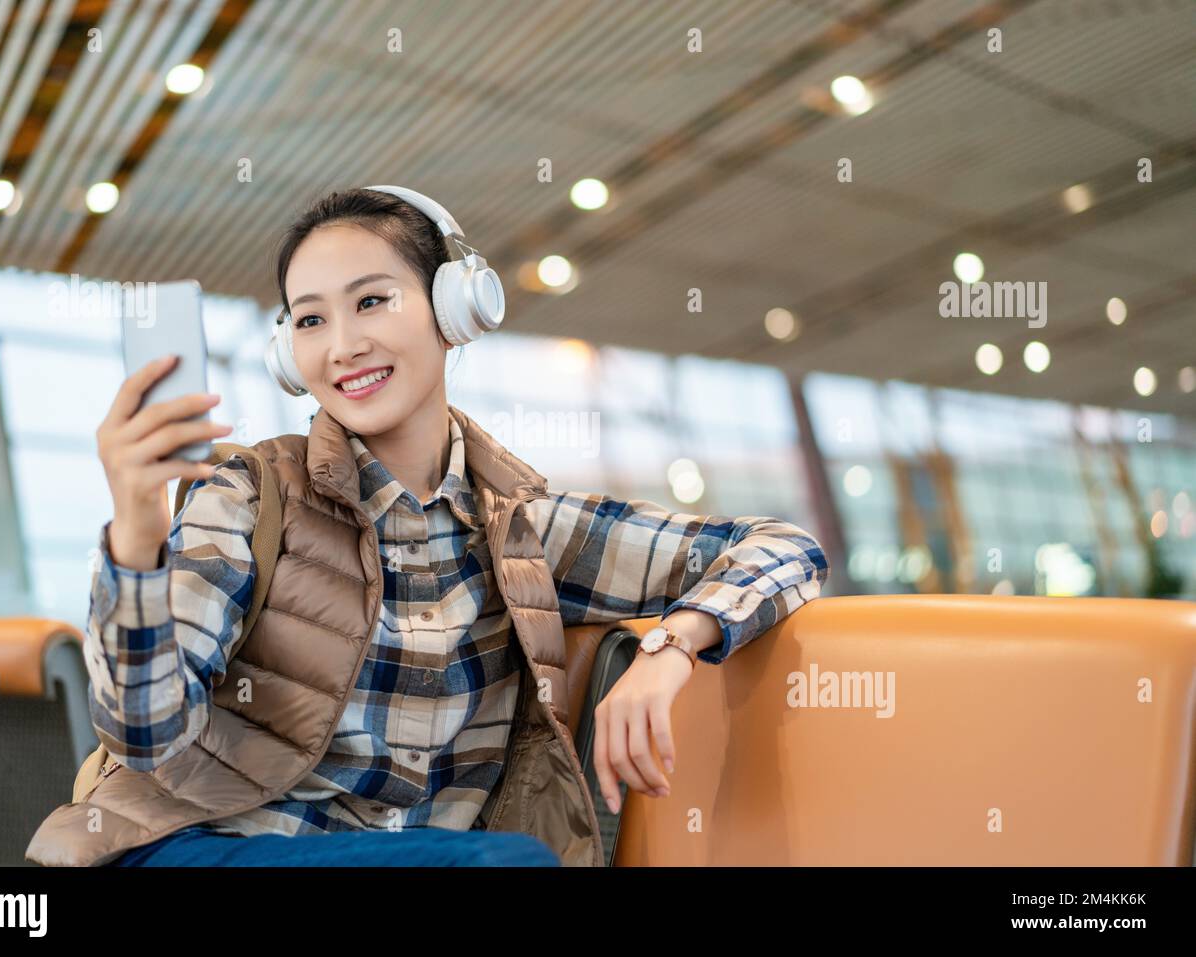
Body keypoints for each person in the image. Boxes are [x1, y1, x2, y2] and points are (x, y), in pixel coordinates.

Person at [64, 187, 828, 867]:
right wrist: (136, 533)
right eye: (310, 319)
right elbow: (146, 735)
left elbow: (786, 547)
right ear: (287, 351)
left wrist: (672, 646)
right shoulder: (247, 493)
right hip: (207, 845)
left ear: (456, 307)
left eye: (372, 301)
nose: (342, 345)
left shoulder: (526, 528)